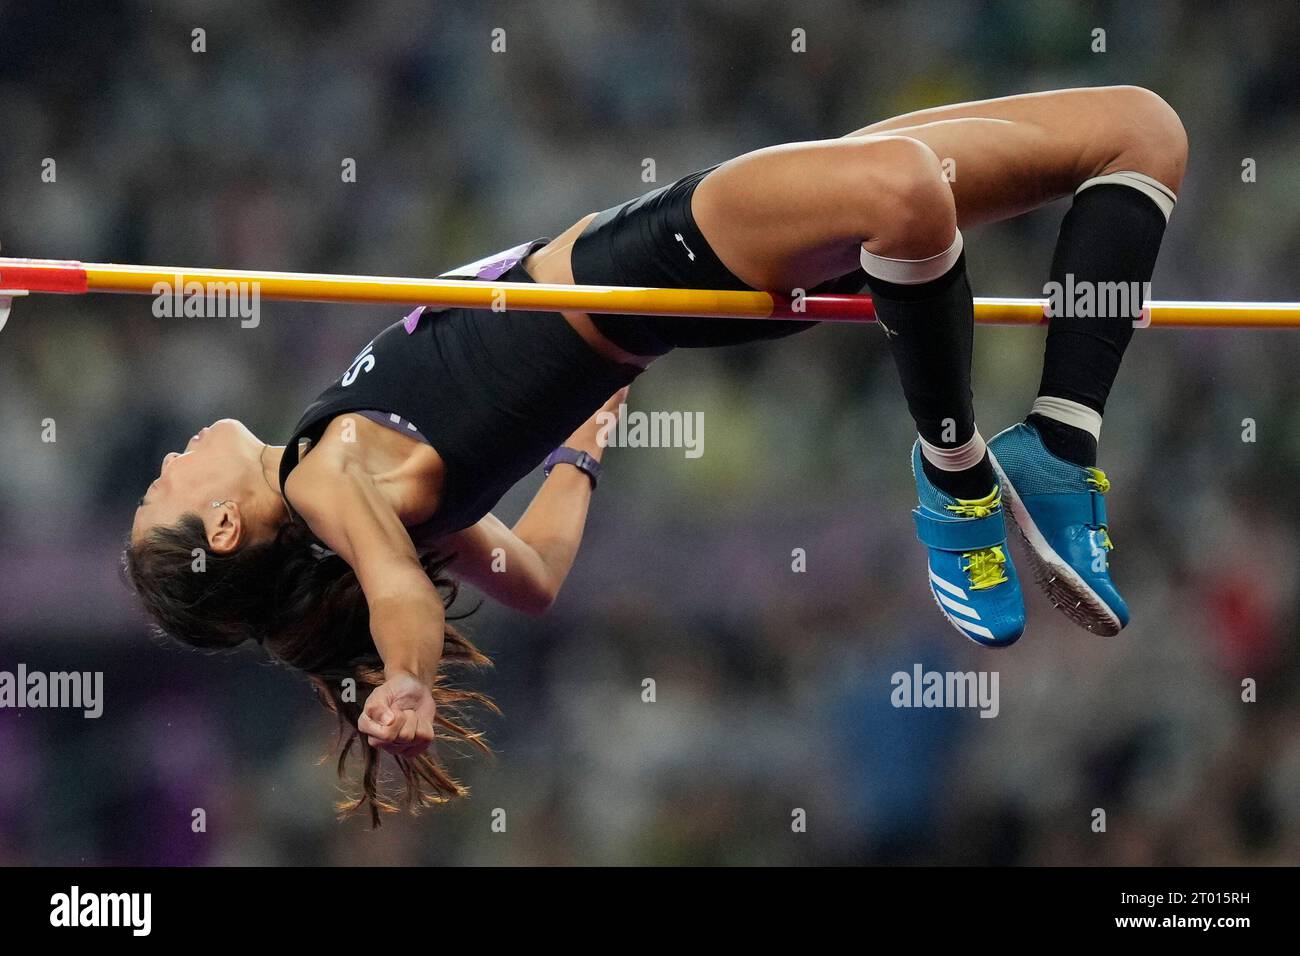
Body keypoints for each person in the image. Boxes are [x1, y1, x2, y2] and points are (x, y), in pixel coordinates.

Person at [125, 86, 1188, 824]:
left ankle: (1058, 444)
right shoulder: (325, 478)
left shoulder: (373, 481)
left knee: (1137, 133)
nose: (169, 457)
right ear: (223, 525)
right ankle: (955, 479)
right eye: (161, 489)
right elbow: (399, 588)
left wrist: (576, 452)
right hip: (660, 254)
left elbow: (532, 580)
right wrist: (406, 675)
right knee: (907, 188)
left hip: (680, 269)